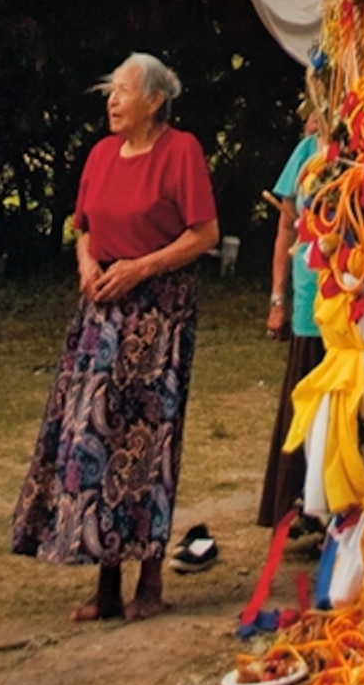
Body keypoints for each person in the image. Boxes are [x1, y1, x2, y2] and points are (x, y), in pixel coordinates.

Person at [12, 52, 219, 624]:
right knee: (93, 435)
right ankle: (105, 581)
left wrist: (142, 268)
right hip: (102, 309)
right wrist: (86, 265)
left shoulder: (182, 152)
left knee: (146, 440)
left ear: (155, 100)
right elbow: (84, 227)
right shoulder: (102, 154)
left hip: (159, 314)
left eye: (124, 90)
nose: (112, 100)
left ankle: (149, 582)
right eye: (110, 90)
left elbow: (204, 234)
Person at [257, 113, 324, 538]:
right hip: (310, 305)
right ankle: (299, 506)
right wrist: (278, 298)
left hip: (357, 308)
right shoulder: (306, 152)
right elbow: (285, 227)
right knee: (305, 404)